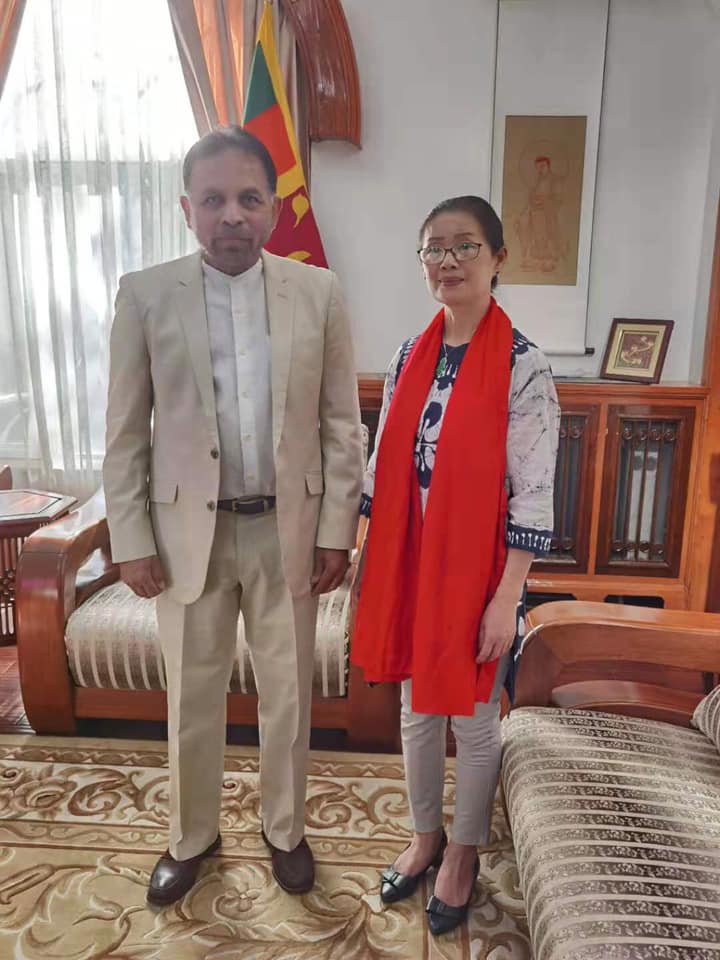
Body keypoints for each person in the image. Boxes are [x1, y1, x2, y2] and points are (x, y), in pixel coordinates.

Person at [103, 126, 363, 906]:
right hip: (189, 537)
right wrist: (131, 541)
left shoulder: (317, 293)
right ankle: (193, 835)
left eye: (248, 198)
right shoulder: (145, 294)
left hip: (285, 529)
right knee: (192, 690)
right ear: (187, 209)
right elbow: (124, 432)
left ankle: (286, 830)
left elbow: (340, 424)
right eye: (213, 199)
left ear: (274, 210)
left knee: (289, 693)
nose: (231, 216)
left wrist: (335, 532)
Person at [351, 195, 559, 936]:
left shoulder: (526, 368)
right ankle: (424, 836)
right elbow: (381, 471)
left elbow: (533, 496)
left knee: (471, 719)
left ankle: (463, 852)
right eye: (433, 248)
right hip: (410, 562)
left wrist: (508, 599)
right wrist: (365, 563)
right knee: (416, 709)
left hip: (478, 575)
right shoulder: (410, 354)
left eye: (464, 246)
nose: (446, 261)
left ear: (498, 259)